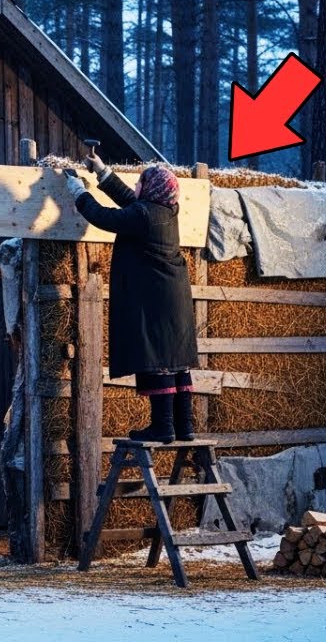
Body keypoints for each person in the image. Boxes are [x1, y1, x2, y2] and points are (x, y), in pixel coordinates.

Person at [64, 154, 198, 443]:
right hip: (175, 297)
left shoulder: (144, 215)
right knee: (176, 360)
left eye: (140, 182)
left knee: (157, 358)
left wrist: (79, 193)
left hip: (155, 299)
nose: (136, 185)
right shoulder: (167, 210)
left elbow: (104, 217)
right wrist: (103, 171)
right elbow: (133, 202)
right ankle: (184, 427)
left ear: (150, 190)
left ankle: (163, 427)